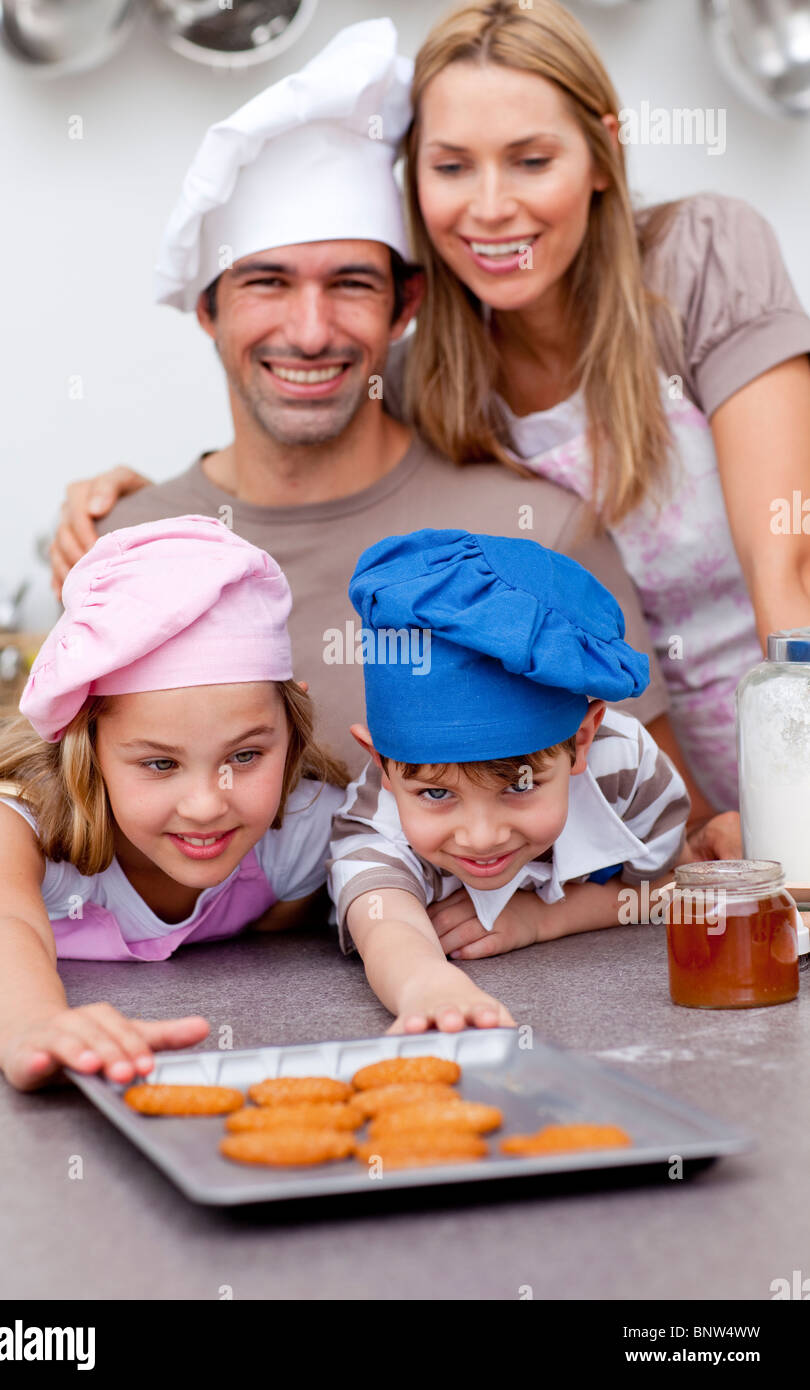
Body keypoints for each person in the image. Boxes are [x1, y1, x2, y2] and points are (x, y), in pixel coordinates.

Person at [44, 19, 734, 859]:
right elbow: (48, 820)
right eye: (266, 282)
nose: (309, 330)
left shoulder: (535, 530)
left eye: (351, 284)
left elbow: (674, 831)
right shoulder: (129, 551)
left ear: (405, 307)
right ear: (207, 309)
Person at [395, 0, 810, 812]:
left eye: (530, 160)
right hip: (641, 830)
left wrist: (788, 828)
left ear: (601, 154)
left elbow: (790, 571)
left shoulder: (704, 257)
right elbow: (304, 488)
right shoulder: (424, 381)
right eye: (451, 167)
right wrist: (133, 496)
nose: (488, 207)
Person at [0, 517, 346, 1090]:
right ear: (86, 740)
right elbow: (0, 932)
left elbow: (410, 880)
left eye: (246, 756)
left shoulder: (304, 826)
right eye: (160, 764)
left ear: (292, 723)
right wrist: (33, 1024)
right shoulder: (6, 826)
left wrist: (523, 915)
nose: (207, 805)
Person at [328, 529, 690, 1033]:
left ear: (583, 739)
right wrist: (427, 985)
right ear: (382, 764)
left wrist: (542, 920)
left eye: (519, 786)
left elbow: (674, 885)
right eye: (436, 794)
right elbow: (385, 922)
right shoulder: (373, 823)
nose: (481, 836)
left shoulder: (628, 773)